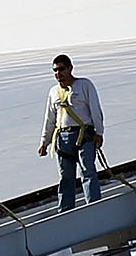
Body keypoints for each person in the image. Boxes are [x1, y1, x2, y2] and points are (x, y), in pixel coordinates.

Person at [36, 54, 106, 210]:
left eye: (61, 69)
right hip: (62, 138)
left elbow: (95, 110)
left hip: (84, 135)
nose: (58, 73)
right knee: (66, 177)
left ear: (70, 68)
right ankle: (65, 210)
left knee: (88, 172)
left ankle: (94, 207)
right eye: (55, 70)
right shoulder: (54, 92)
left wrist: (99, 133)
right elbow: (50, 119)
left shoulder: (84, 85)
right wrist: (44, 143)